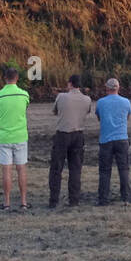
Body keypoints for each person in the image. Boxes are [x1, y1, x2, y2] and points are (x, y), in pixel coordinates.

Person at [49, 75, 92, 208]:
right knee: (75, 169)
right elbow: (87, 112)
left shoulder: (61, 97)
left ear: (70, 84)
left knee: (56, 168)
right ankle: (74, 200)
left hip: (62, 134)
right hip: (78, 135)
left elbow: (55, 111)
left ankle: (54, 200)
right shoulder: (87, 99)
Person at [0, 67, 30, 209]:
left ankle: (7, 202)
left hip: (4, 137)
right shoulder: (24, 95)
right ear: (17, 78)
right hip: (20, 136)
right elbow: (24, 109)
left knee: (6, 171)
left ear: (5, 78)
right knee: (21, 169)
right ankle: (23, 202)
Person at [95, 78, 131, 206]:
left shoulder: (101, 102)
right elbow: (127, 117)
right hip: (122, 138)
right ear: (118, 88)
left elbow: (99, 118)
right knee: (124, 169)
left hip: (106, 140)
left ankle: (103, 198)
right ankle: (126, 197)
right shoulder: (126, 102)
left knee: (105, 171)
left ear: (107, 88)